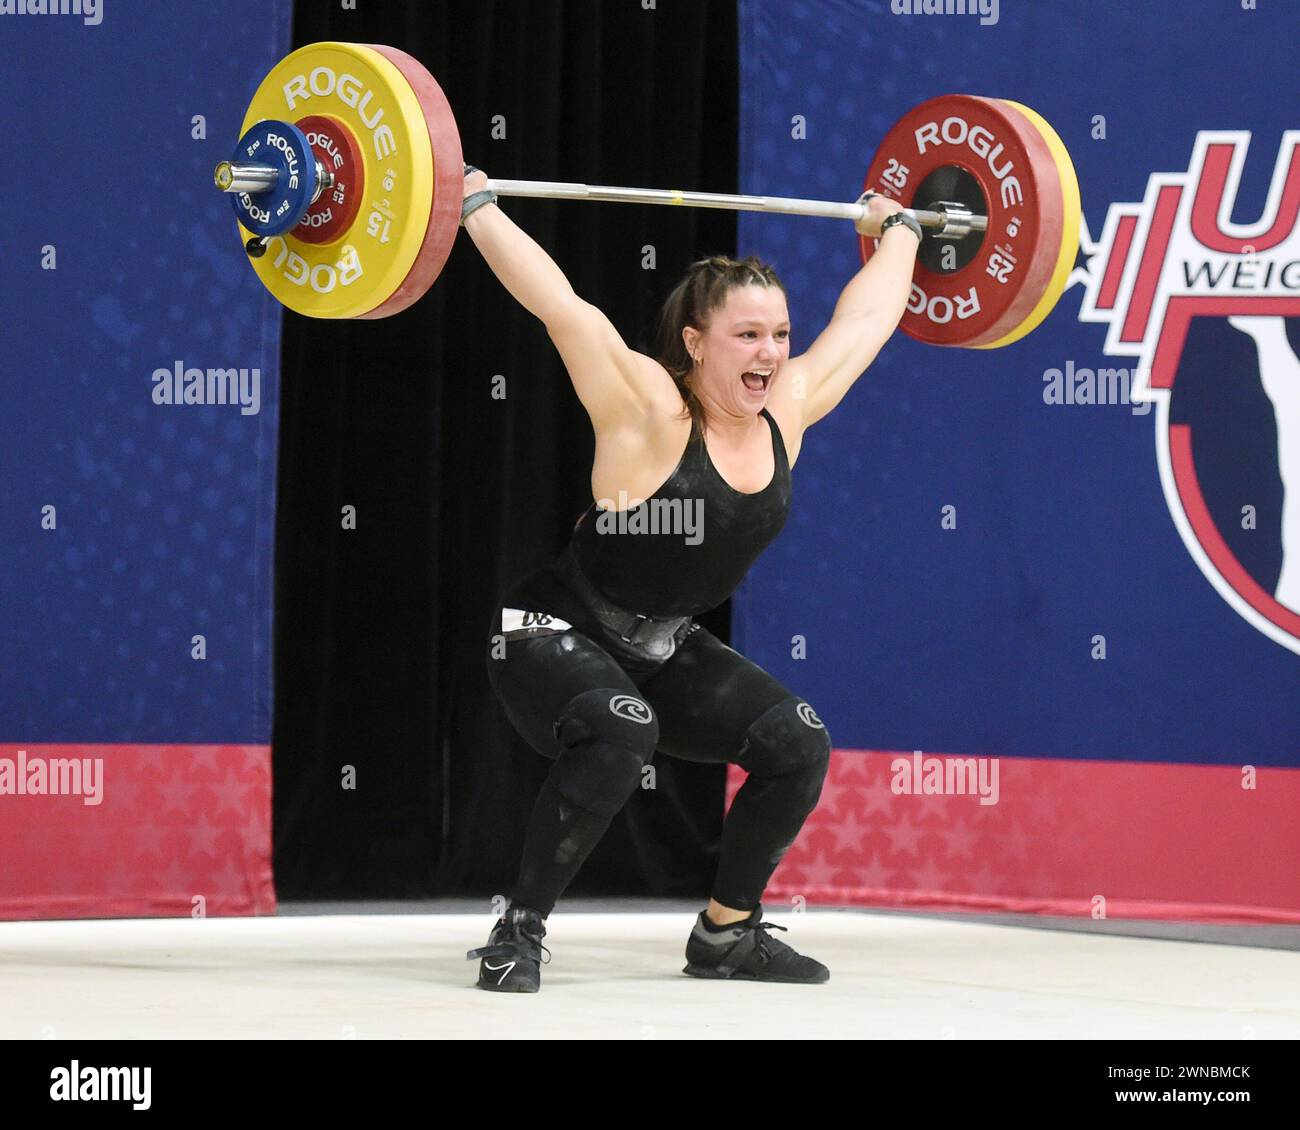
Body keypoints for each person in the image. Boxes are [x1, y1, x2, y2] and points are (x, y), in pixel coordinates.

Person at [460, 164, 920, 991]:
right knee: (622, 729)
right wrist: (472, 206)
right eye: (748, 336)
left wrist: (905, 234)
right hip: (549, 628)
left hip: (663, 646)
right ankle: (518, 929)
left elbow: (869, 319)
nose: (771, 353)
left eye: (779, 334)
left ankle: (726, 935)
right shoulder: (650, 407)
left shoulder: (789, 407)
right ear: (697, 343)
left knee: (797, 743)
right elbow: (565, 311)